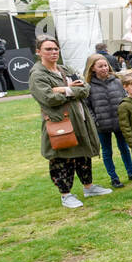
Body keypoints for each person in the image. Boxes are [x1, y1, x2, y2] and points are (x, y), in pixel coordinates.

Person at [28, 37, 107, 208]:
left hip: (80, 118)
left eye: (55, 49)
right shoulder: (38, 74)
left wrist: (64, 89)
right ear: (38, 52)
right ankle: (66, 194)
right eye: (48, 49)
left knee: (83, 154)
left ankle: (89, 187)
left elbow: (85, 89)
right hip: (60, 122)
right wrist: (72, 89)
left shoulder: (66, 69)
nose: (53, 52)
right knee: (62, 158)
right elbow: (48, 98)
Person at [84, 53, 132, 188]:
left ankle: (131, 172)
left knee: (124, 147)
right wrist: (95, 120)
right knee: (107, 152)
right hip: (102, 124)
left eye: (105, 65)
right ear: (92, 68)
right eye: (100, 66)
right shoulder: (88, 86)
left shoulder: (117, 81)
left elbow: (125, 98)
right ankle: (114, 177)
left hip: (120, 121)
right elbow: (87, 106)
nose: (104, 68)